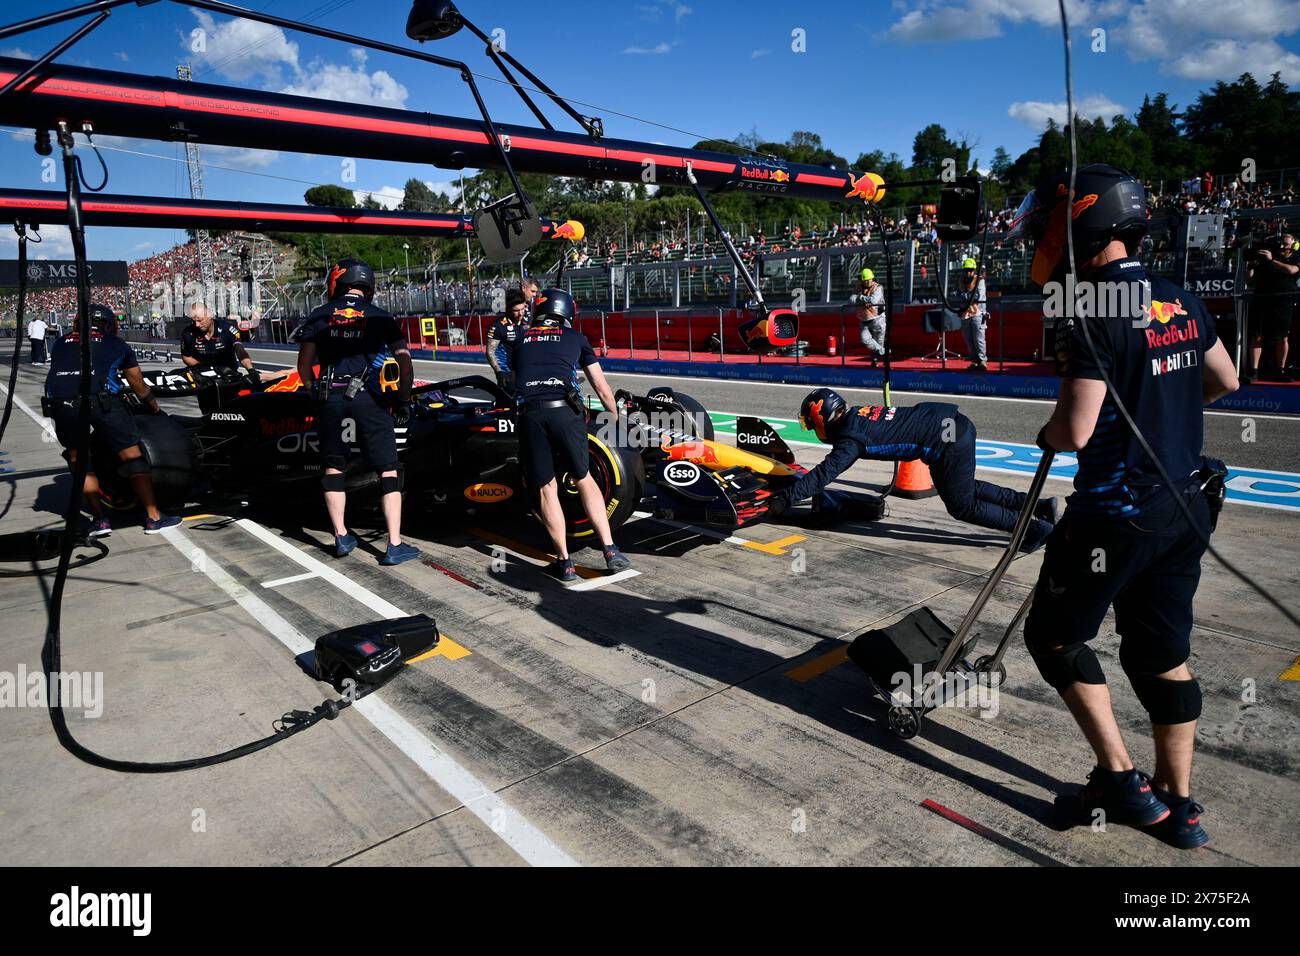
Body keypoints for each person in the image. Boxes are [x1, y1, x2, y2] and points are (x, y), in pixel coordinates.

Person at [1006, 163, 1239, 849]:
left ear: (1078, 224)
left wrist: (1050, 432)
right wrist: (1158, 409)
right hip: (1187, 507)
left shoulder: (1089, 310)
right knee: (1162, 654)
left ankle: (1119, 780)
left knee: (1053, 637)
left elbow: (1074, 431)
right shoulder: (1178, 297)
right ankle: (1180, 804)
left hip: (1116, 512)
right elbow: (1225, 379)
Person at [770, 388, 1061, 551]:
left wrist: (786, 498)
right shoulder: (856, 412)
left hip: (946, 439)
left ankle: (1035, 528)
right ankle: (1040, 505)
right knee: (967, 489)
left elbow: (823, 475)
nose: (812, 428)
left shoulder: (851, 439)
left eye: (811, 422)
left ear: (823, 417)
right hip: (953, 424)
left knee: (962, 506)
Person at [293, 258, 419, 566]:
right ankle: (394, 545)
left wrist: (314, 392)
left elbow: (303, 365)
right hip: (369, 399)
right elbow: (404, 361)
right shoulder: (380, 316)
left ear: (337, 281)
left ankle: (341, 536)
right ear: (368, 285)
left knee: (334, 468)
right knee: (388, 470)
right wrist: (403, 398)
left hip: (330, 397)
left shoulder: (320, 314)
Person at [510, 287, 631, 582]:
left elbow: (516, 380)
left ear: (537, 310)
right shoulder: (577, 338)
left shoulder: (521, 340)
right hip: (565, 411)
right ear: (568, 312)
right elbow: (602, 389)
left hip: (531, 414)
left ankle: (565, 563)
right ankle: (611, 550)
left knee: (546, 488)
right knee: (583, 476)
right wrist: (616, 420)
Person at [42, 304, 181, 537]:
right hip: (100, 400)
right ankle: (153, 517)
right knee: (133, 457)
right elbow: (138, 385)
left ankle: (99, 520)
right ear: (109, 324)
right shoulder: (117, 344)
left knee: (79, 461)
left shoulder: (59, 343)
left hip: (60, 403)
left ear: (77, 323)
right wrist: (155, 409)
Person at [1245, 234, 1298, 382]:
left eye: (1286, 245)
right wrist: (1251, 265)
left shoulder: (1295, 257)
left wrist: (1271, 260)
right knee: (1257, 335)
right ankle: (1254, 371)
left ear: (1293, 245)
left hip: (1283, 301)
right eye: (1281, 244)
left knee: (1283, 337)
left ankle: (1280, 370)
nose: (1283, 247)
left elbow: (1292, 270)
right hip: (1262, 299)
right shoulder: (1266, 258)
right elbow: (1250, 281)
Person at [181, 303, 260, 382]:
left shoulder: (227, 328)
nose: (197, 324)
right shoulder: (188, 333)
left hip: (228, 374)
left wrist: (251, 370)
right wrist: (203, 365)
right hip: (203, 375)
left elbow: (240, 351)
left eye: (200, 320)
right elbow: (186, 357)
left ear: (210, 315)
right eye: (194, 321)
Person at [486, 288, 528, 392]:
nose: (520, 313)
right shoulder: (498, 326)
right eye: (516, 310)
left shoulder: (527, 322)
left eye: (522, 309)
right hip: (507, 375)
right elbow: (490, 351)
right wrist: (499, 372)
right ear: (508, 308)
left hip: (525, 372)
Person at [956, 257, 988, 370]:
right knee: (969, 341)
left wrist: (964, 297)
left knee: (979, 339)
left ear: (974, 270)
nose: (968, 272)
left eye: (970, 270)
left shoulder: (979, 280)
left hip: (977, 314)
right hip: (965, 315)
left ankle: (982, 361)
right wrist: (963, 297)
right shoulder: (960, 280)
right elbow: (955, 295)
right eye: (966, 270)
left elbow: (977, 297)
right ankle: (974, 361)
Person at [849, 268, 886, 364]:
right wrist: (863, 298)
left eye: (869, 279)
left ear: (872, 278)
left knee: (878, 342)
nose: (867, 282)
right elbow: (851, 299)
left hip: (877, 319)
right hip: (863, 319)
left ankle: (876, 362)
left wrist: (860, 298)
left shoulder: (878, 287)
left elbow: (873, 300)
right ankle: (884, 351)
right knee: (865, 339)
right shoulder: (858, 287)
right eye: (865, 280)